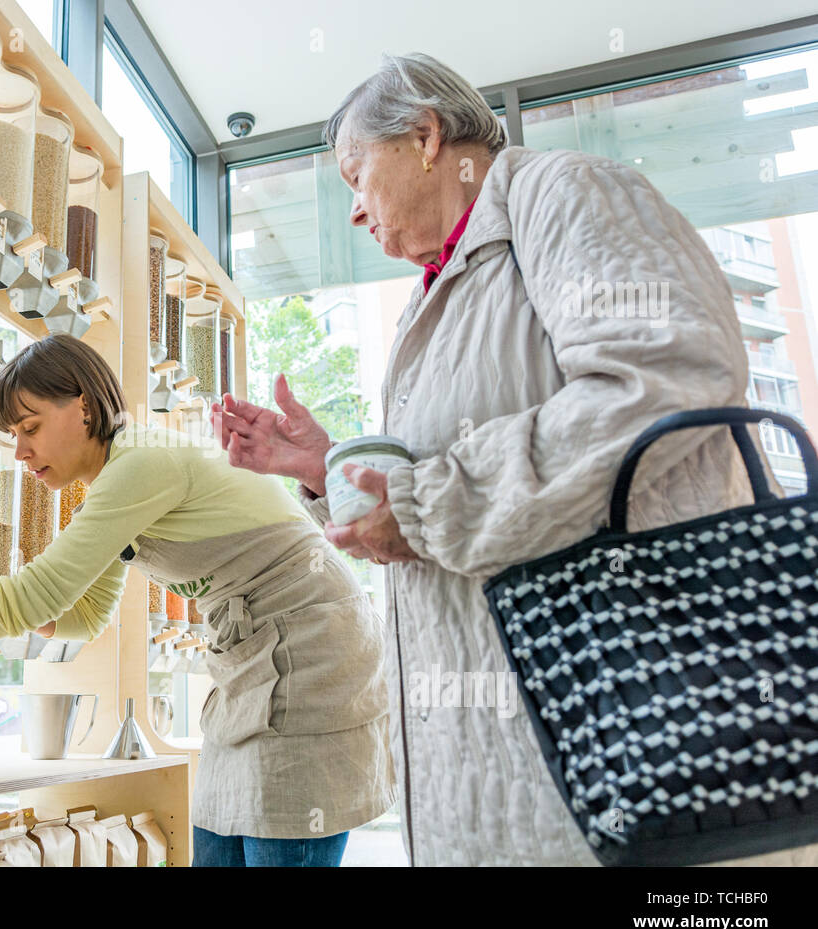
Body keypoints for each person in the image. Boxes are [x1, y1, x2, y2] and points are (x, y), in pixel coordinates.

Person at [212, 52, 818, 866]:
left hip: (629, 745)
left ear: (426, 137)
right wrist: (329, 469)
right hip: (510, 776)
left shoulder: (568, 193)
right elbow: (446, 476)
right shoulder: (440, 292)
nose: (355, 212)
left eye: (356, 176)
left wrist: (425, 507)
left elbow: (663, 372)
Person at [0, 333, 394, 867]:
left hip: (309, 655)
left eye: (30, 427)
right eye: (13, 435)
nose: (19, 451)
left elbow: (40, 595)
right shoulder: (116, 479)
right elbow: (83, 615)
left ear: (83, 407)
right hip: (253, 665)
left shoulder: (141, 463)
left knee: (281, 829)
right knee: (218, 838)